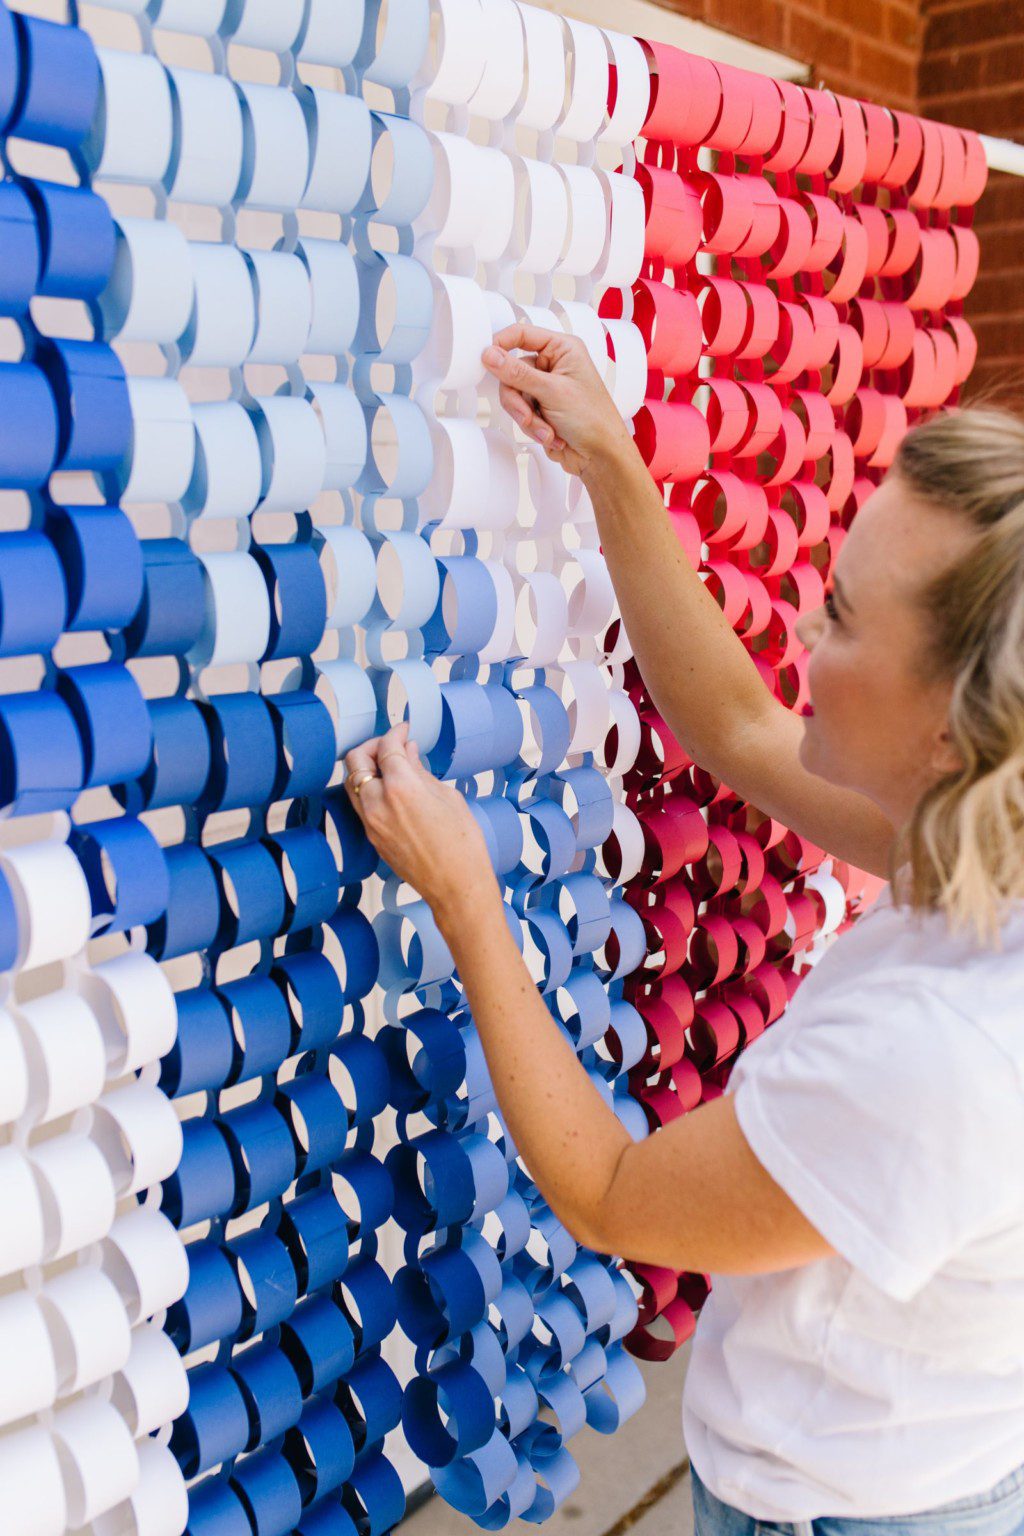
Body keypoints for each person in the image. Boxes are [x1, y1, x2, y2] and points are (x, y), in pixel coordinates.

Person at [342, 324, 1024, 1536]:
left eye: (846, 622)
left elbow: (612, 1194)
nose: (810, 639)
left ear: (949, 728)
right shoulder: (984, 836)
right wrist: (610, 466)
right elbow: (743, 733)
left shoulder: (941, 1052)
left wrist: (464, 902)